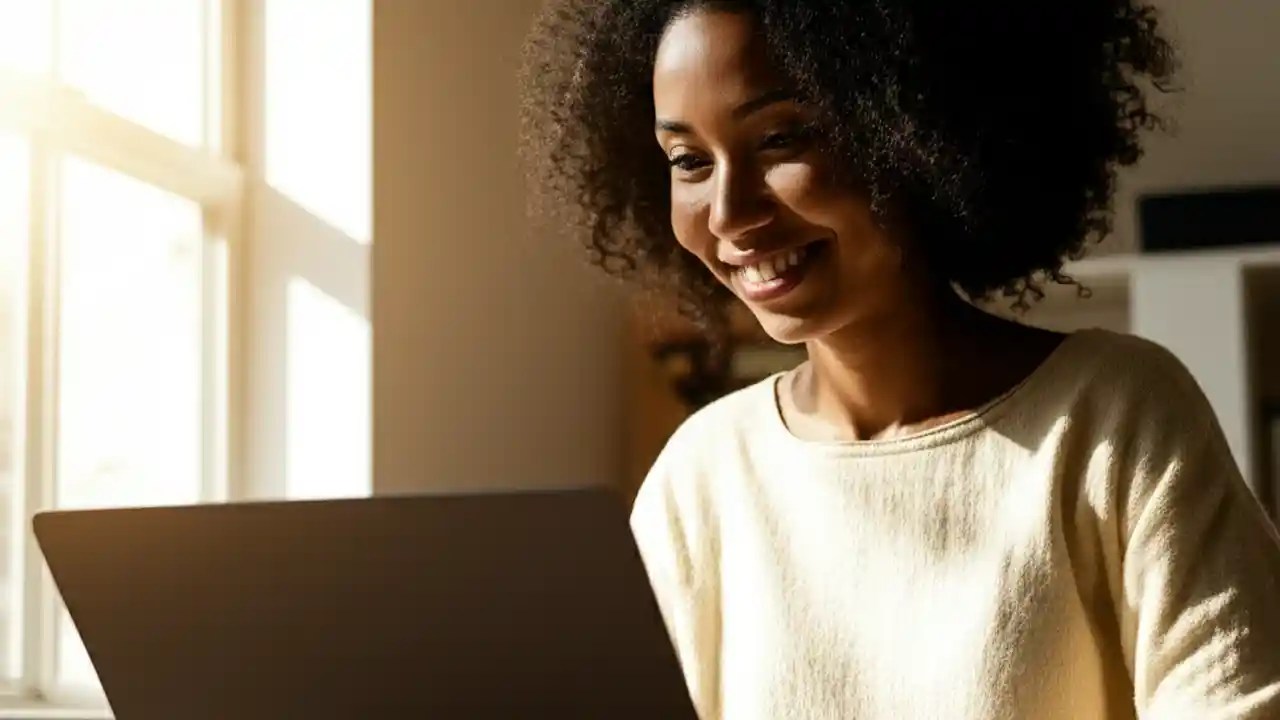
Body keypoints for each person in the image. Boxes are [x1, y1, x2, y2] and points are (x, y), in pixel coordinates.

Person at [519, 1, 1280, 718]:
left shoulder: (1116, 419)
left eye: (781, 139)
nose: (729, 214)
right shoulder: (703, 475)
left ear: (918, 126)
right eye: (689, 160)